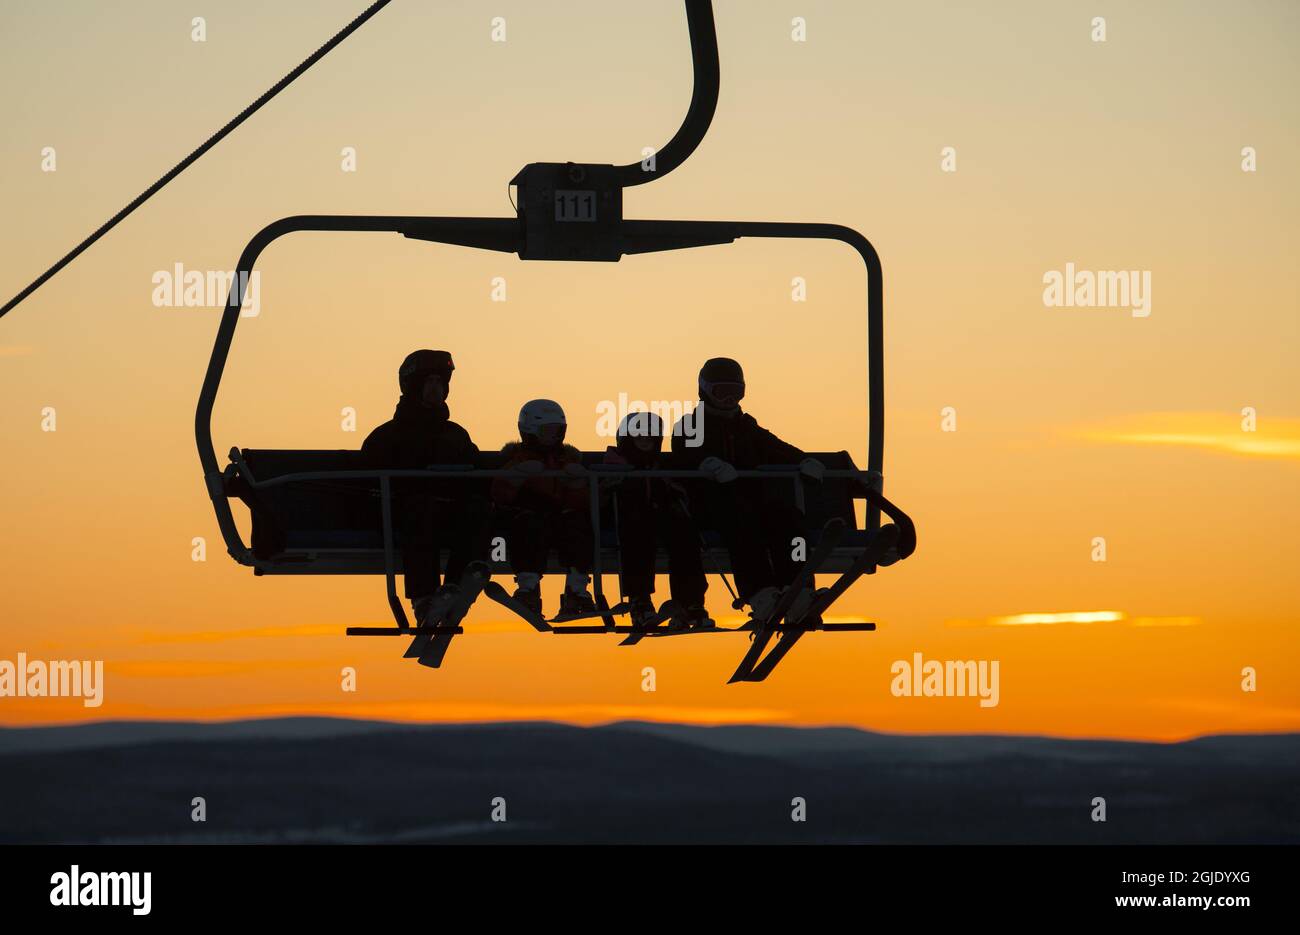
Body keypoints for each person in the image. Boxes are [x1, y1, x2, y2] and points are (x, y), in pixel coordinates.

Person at [671, 357, 826, 624]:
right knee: (741, 527)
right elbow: (684, 453)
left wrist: (803, 460)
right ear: (706, 390)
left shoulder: (746, 426)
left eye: (736, 392)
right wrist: (708, 464)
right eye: (722, 391)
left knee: (787, 521)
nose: (730, 398)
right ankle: (762, 595)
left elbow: (775, 447)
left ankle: (798, 591)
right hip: (708, 506)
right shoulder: (690, 425)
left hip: (750, 502)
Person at [360, 349, 488, 627]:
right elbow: (369, 483)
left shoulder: (456, 435)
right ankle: (423, 598)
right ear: (413, 386)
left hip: (450, 514)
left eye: (440, 382)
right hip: (406, 515)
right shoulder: (387, 437)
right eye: (429, 382)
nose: (436, 388)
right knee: (422, 507)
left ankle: (453, 589)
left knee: (477, 510)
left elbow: (477, 473)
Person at [603, 412, 712, 629]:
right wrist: (616, 483)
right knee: (638, 533)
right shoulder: (615, 463)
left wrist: (673, 492)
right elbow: (603, 493)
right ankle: (640, 599)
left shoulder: (662, 466)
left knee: (685, 535)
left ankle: (690, 602)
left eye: (650, 437)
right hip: (629, 517)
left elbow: (680, 488)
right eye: (639, 436)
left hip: (660, 515)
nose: (645, 441)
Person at [490, 399, 596, 619]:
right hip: (527, 518)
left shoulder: (566, 461)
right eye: (546, 431)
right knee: (529, 526)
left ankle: (577, 590)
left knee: (578, 525)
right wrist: (518, 476)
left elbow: (581, 503)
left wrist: (576, 484)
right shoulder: (515, 459)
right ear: (530, 431)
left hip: (561, 519)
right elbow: (500, 495)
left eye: (556, 431)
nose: (552, 436)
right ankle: (528, 588)